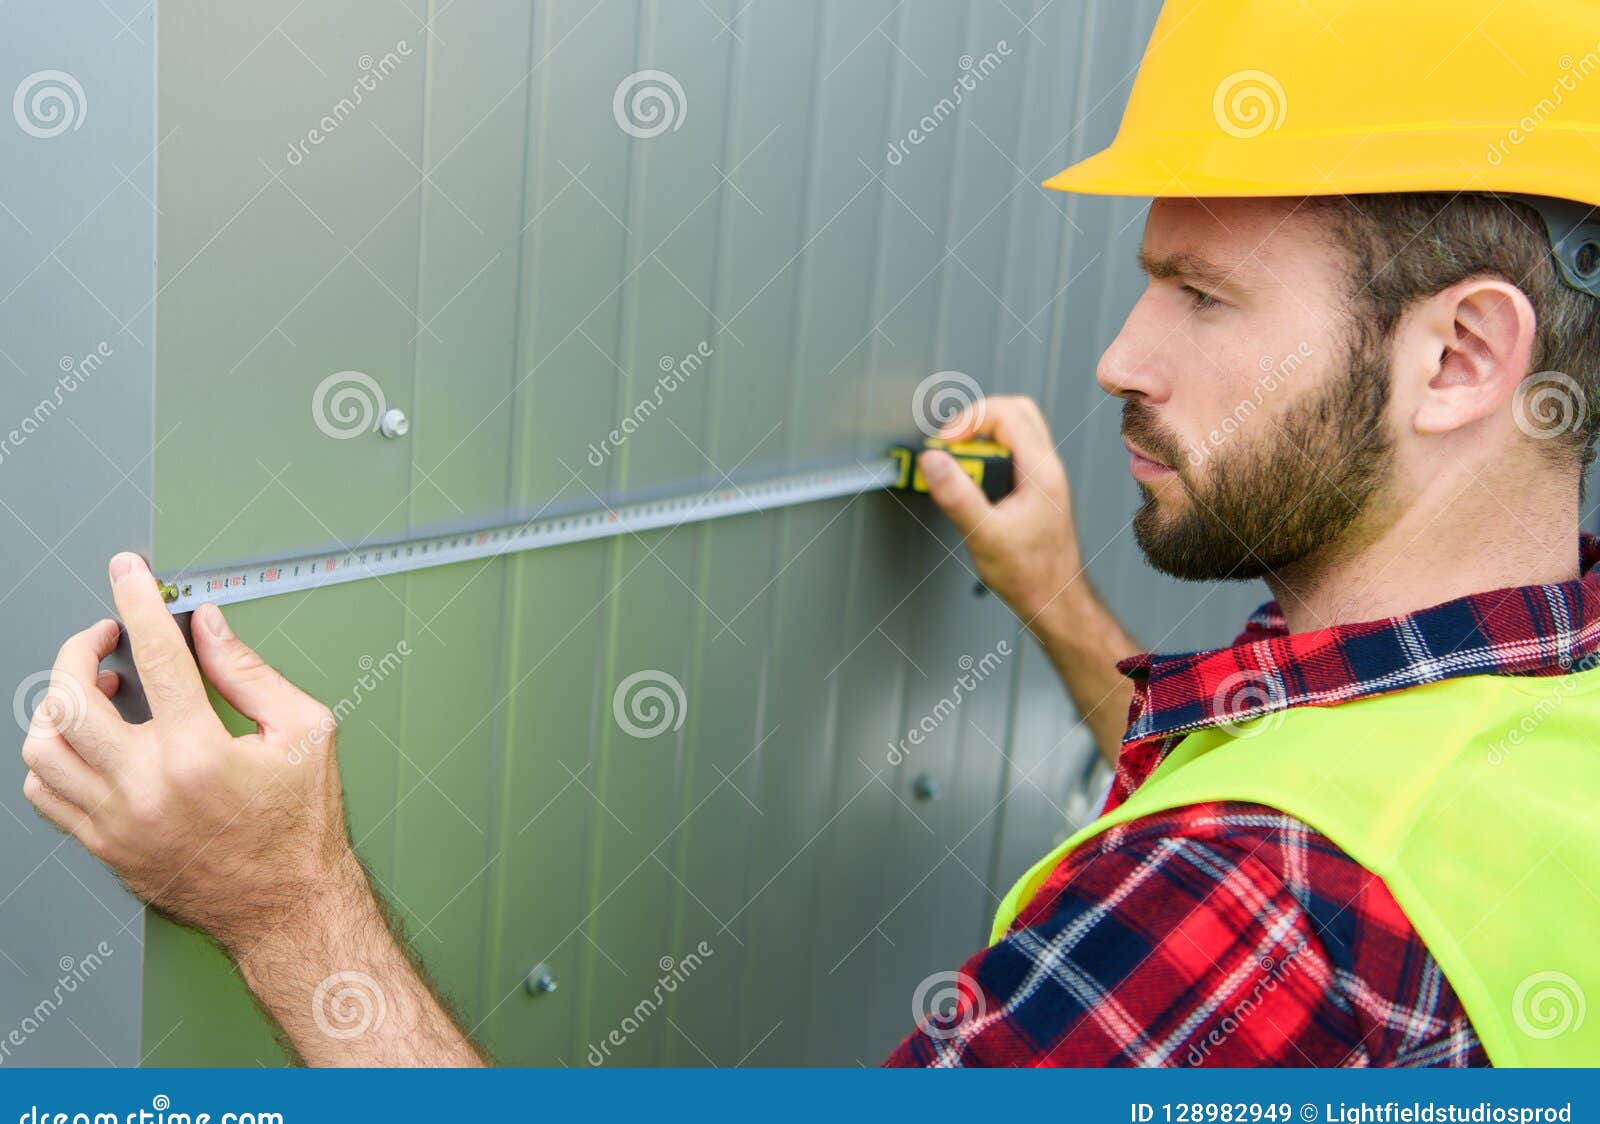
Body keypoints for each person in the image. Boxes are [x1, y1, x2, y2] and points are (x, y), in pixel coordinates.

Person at [21, 0, 1600, 1066]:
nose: (1122, 356)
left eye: (1200, 295)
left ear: (1461, 356)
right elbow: (1335, 774)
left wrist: (286, 904)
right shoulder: (1540, 686)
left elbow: (1282, 864)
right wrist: (1054, 595)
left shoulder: (1231, 918)